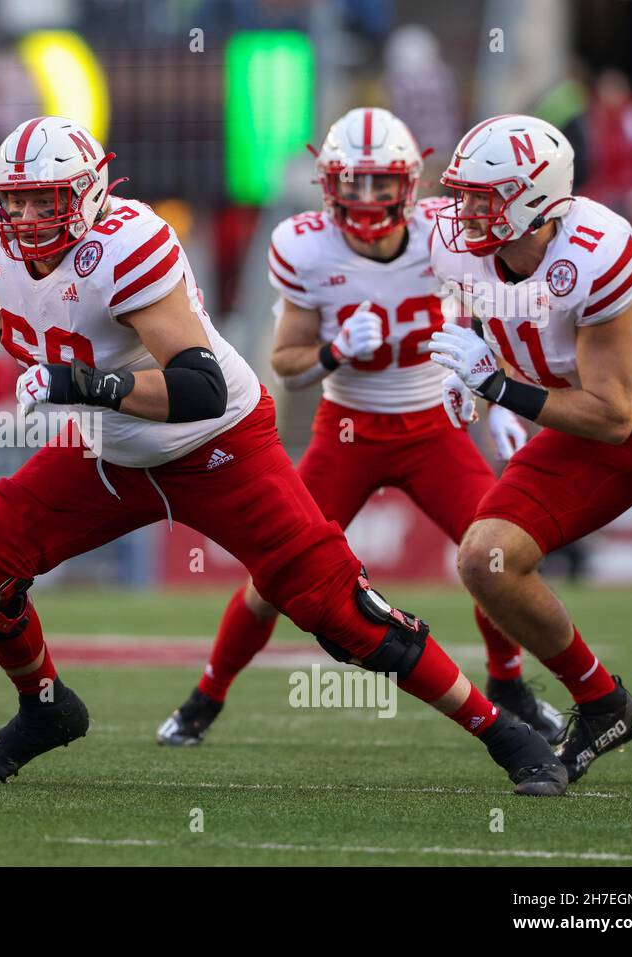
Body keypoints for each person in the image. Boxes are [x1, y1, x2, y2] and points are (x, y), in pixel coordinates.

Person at [0, 115, 567, 795]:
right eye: (17, 201)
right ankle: (45, 707)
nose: (28, 218)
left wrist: (78, 383)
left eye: (47, 200)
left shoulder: (127, 245)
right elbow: (0, 281)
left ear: (91, 193)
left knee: (340, 611)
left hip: (217, 445)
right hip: (109, 449)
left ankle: (504, 733)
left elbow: (199, 388)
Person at [158, 108, 560, 747]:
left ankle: (508, 683)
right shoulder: (306, 246)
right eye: (354, 182)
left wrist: (493, 390)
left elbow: (498, 315)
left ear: (412, 182)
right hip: (346, 429)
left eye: (382, 183)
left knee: (490, 557)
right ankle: (206, 696)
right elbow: (288, 366)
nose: (367, 198)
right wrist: (335, 350)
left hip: (434, 426)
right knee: (272, 579)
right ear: (328, 185)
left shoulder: (447, 233)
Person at [427, 114, 632, 782]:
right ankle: (601, 701)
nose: (463, 211)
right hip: (576, 420)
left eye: (482, 198)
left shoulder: (597, 249)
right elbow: (465, 295)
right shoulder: (452, 237)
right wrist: (461, 370)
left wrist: (496, 383)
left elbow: (613, 413)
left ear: (533, 199)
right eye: (461, 194)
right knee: (486, 560)